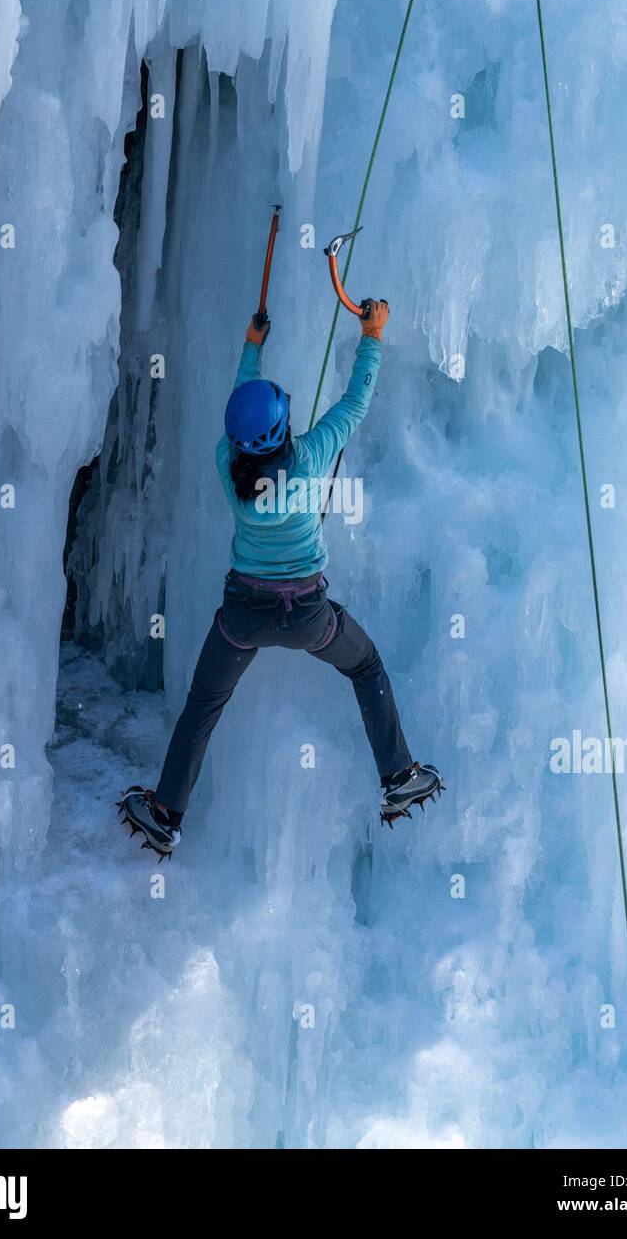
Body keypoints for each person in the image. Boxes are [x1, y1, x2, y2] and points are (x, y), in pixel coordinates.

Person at [119, 299, 442, 857]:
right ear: (282, 429)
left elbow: (240, 411)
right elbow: (355, 402)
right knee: (365, 666)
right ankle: (398, 776)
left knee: (203, 705)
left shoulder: (228, 464)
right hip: (311, 618)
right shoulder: (313, 456)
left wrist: (252, 345)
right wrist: (372, 333)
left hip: (242, 616)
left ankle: (166, 814)